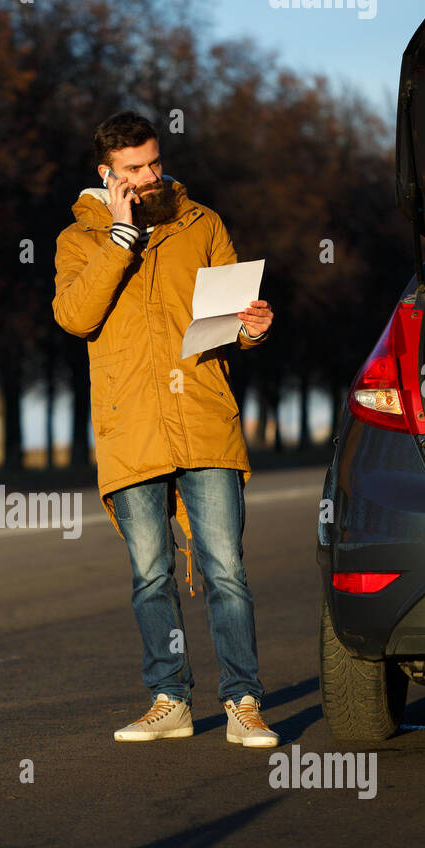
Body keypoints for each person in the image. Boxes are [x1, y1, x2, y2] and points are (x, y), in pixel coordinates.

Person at [52, 110, 280, 748]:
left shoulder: (200, 222)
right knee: (150, 572)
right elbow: (74, 316)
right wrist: (120, 239)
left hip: (204, 415)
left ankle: (243, 702)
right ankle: (169, 699)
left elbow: (227, 320)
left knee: (226, 569)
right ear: (107, 174)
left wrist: (252, 327)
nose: (150, 177)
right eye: (133, 169)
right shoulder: (79, 240)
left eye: (155, 162)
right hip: (132, 428)